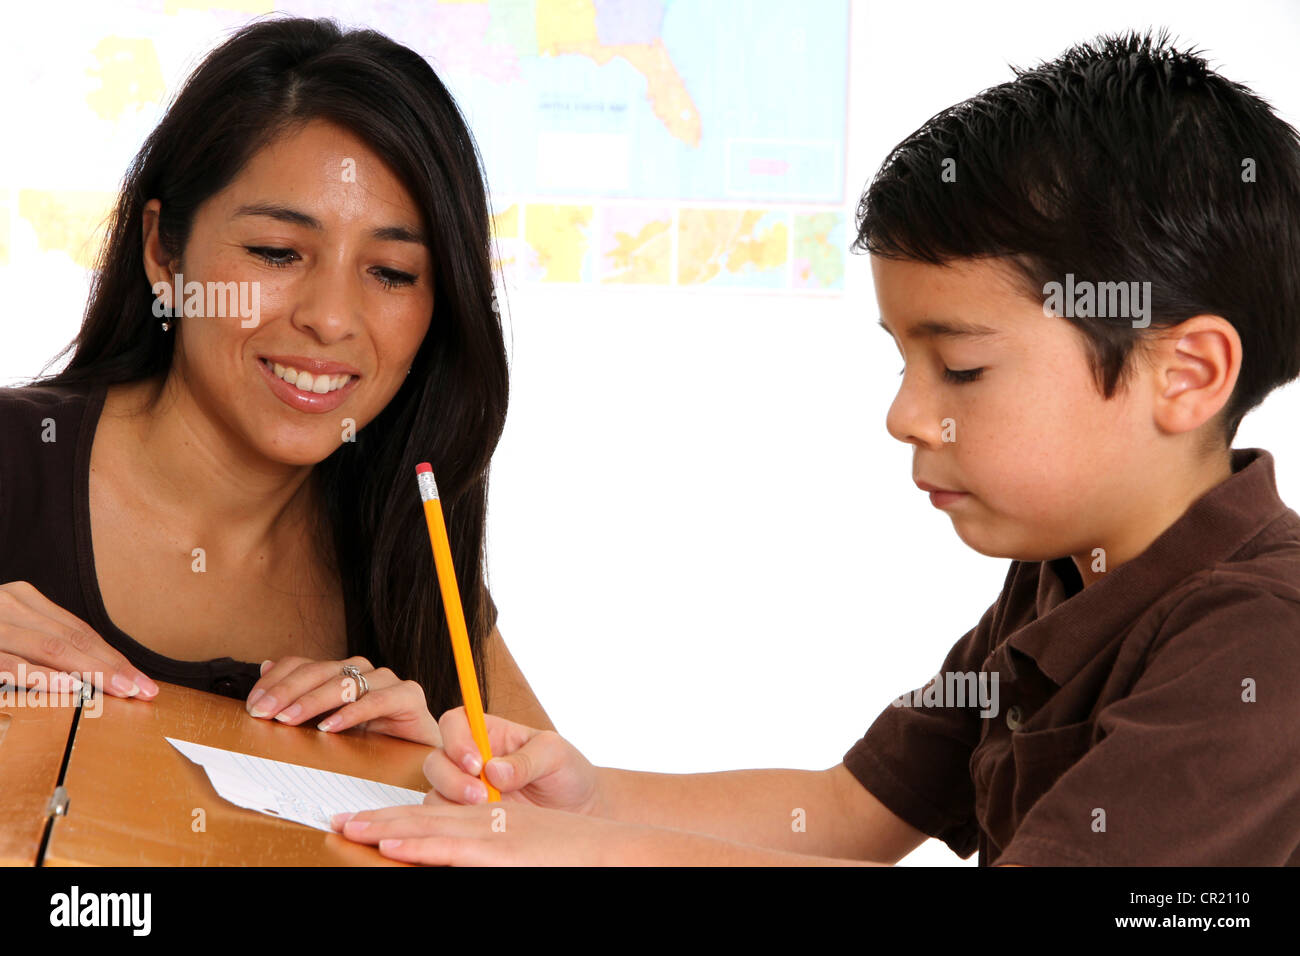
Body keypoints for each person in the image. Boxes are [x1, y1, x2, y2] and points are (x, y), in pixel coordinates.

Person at [334, 30, 1300, 864]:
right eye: (903, 361)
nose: (907, 416)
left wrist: (595, 857)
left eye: (960, 369)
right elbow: (846, 812)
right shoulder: (1064, 579)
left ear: (1186, 373)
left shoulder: (1264, 641)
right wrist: (588, 801)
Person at [0, 16, 552, 745]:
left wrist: (431, 779)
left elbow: (558, 819)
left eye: (391, 272)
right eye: (276, 252)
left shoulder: (408, 556)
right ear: (166, 254)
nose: (330, 320)